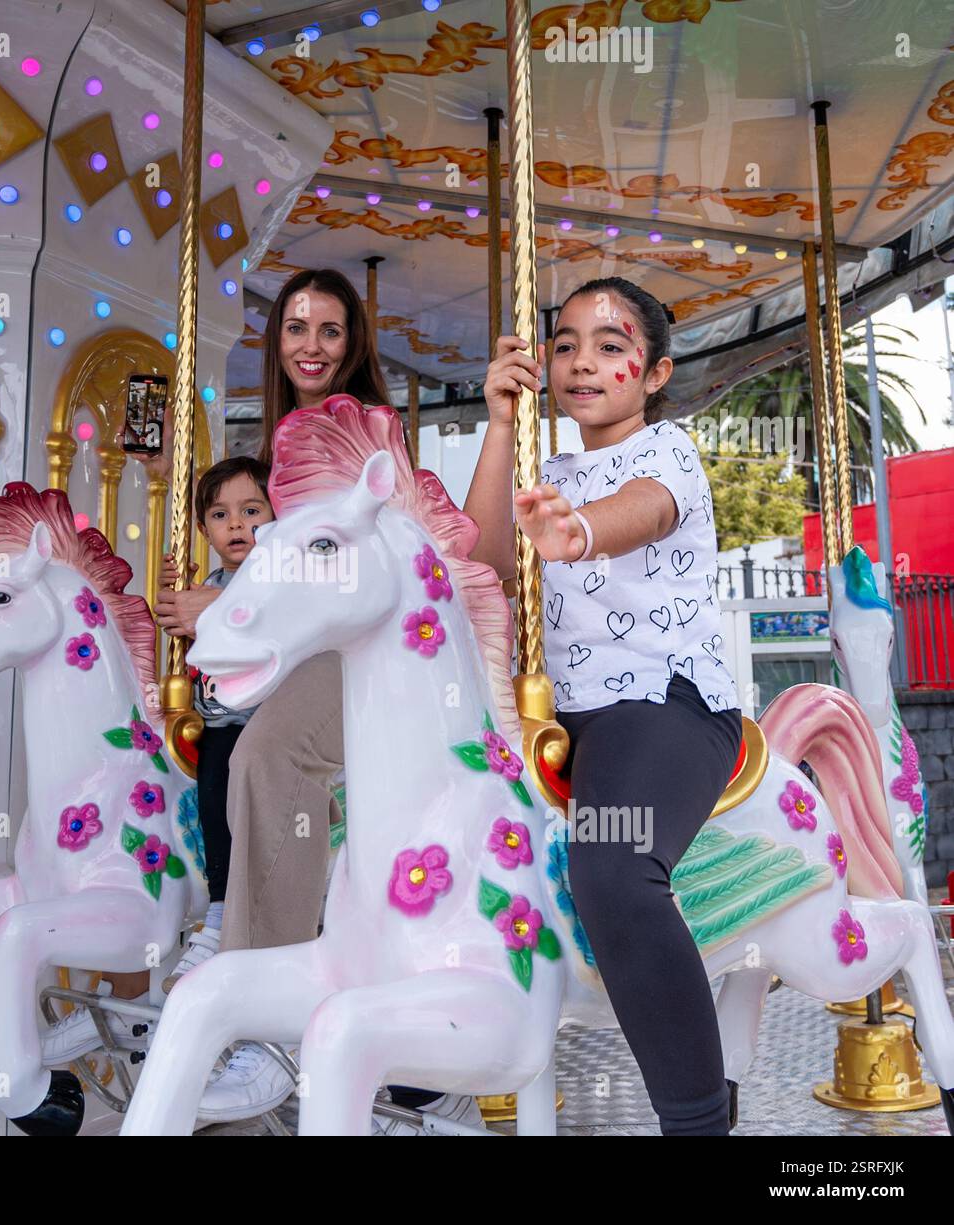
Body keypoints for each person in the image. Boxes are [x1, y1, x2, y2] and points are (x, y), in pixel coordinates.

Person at [154, 268, 481, 1133]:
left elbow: (356, 571)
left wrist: (223, 607)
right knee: (224, 736)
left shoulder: (367, 440)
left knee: (270, 751)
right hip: (330, 654)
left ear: (354, 344)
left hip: (381, 657)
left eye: (330, 331)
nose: (310, 344)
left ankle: (266, 1023)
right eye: (296, 327)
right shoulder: (282, 449)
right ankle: (233, 920)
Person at [464, 276, 743, 1136]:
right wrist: (503, 423)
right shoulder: (549, 470)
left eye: (611, 345)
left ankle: (697, 1120)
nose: (583, 360)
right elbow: (484, 560)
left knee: (610, 863)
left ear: (654, 372)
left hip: (659, 705)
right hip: (556, 713)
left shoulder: (670, 453)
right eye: (566, 343)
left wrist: (575, 532)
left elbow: (643, 514)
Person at [158, 456, 274, 989]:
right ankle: (199, 899)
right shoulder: (210, 579)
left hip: (258, 720)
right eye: (221, 515)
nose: (237, 525)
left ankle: (224, 910)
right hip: (216, 717)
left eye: (251, 510)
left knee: (222, 768)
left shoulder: (274, 577)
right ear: (203, 529)